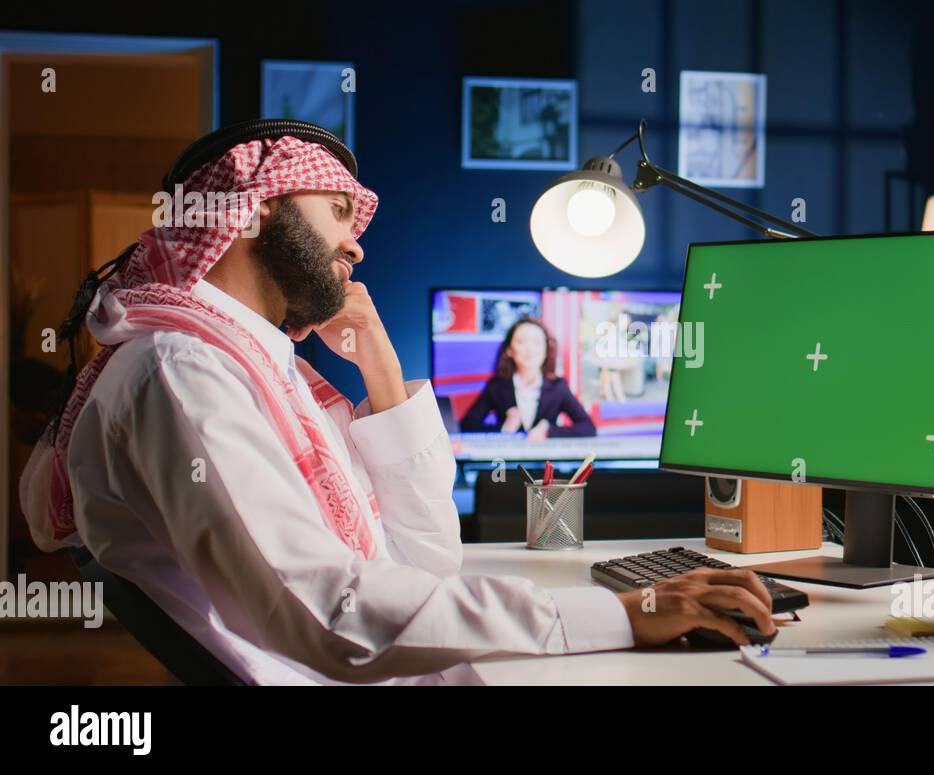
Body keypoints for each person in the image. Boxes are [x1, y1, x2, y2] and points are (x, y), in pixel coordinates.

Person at [18, 126, 774, 685]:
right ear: (251, 209)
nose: (358, 247)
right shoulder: (182, 372)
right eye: (340, 212)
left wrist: (382, 367)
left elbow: (421, 562)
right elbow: (333, 615)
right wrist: (629, 613)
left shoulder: (255, 371)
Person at [458, 316, 596, 440]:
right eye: (521, 342)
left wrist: (550, 431)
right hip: (506, 464)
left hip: (545, 465)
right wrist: (504, 430)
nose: (529, 349)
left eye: (537, 342)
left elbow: (588, 428)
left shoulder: (558, 387)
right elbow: (467, 426)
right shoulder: (497, 386)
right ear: (509, 350)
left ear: (546, 350)